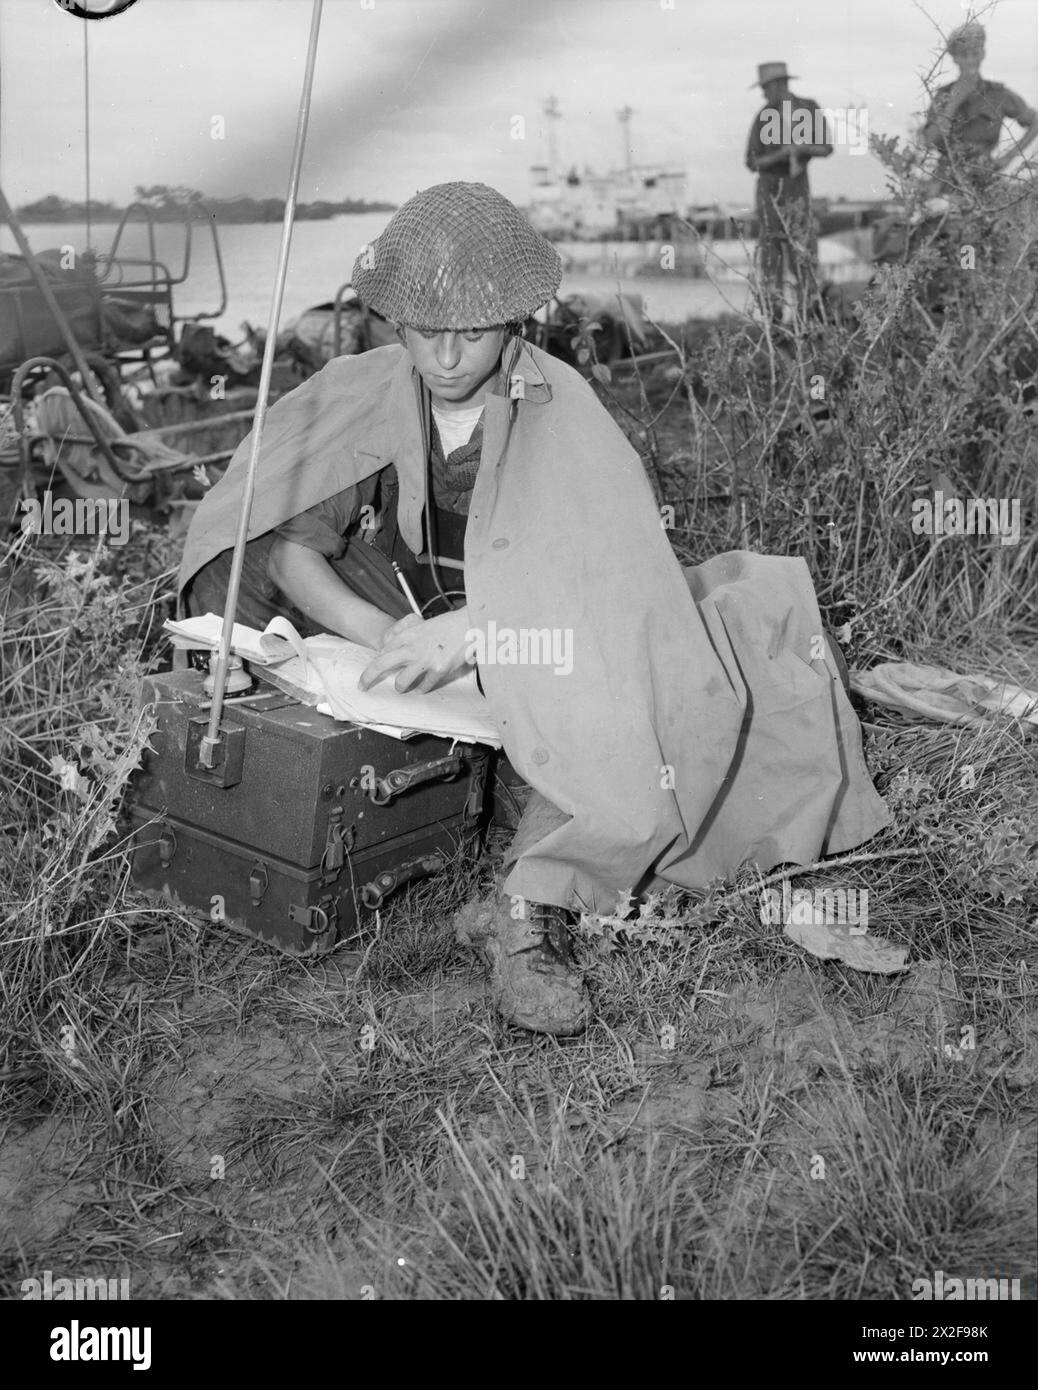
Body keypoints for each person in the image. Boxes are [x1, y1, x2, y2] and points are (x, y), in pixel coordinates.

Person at [178, 182, 889, 1037]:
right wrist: (389, 635)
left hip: (544, 633)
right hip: (413, 617)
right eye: (425, 333)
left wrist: (478, 632)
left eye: (471, 335)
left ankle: (525, 909)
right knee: (246, 556)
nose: (445, 359)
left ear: (514, 324)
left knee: (625, 686)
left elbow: (608, 580)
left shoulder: (561, 410)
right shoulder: (364, 393)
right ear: (392, 322)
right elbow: (294, 548)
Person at [745, 61, 833, 321]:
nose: (763, 94)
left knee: (802, 252)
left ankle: (808, 317)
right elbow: (752, 162)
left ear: (780, 85)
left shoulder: (808, 108)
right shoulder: (763, 117)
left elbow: (826, 147)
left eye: (766, 88)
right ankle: (774, 321)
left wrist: (802, 149)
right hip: (769, 191)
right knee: (771, 256)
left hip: (797, 189)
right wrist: (781, 154)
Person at [922, 21, 1037, 193]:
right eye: (963, 55)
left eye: (974, 53)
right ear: (954, 58)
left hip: (984, 179)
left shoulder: (998, 93)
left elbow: (1034, 123)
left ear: (983, 53)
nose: (969, 60)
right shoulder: (943, 95)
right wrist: (953, 102)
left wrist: (1008, 157)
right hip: (947, 179)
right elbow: (928, 141)